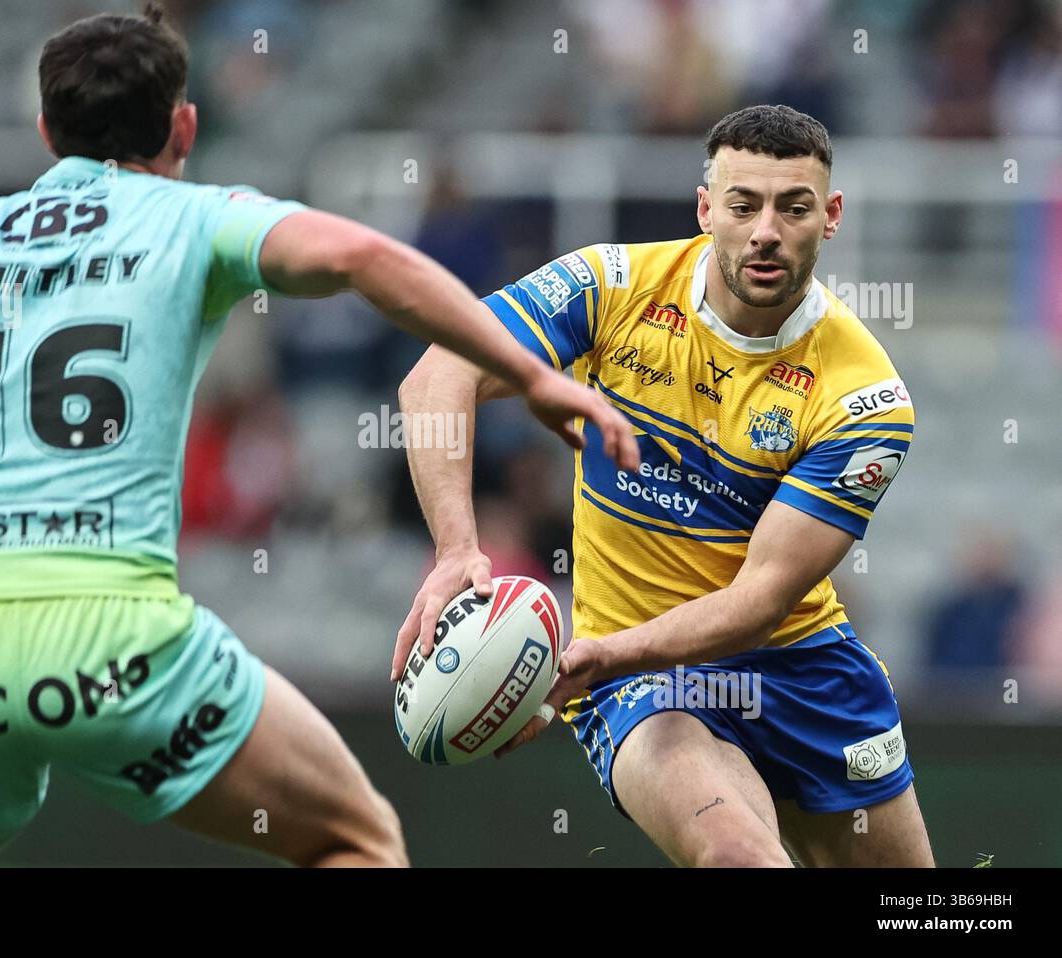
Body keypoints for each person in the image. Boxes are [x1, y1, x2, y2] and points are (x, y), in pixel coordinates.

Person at [0, 6, 638, 868]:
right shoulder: (196, 219)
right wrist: (531, 375)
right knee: (356, 838)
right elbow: (365, 260)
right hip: (121, 645)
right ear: (184, 124)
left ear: (44, 130)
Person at [395, 104, 935, 867]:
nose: (766, 232)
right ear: (706, 207)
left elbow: (758, 603)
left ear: (832, 215)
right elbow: (437, 376)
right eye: (743, 205)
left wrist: (604, 655)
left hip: (803, 666)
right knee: (737, 858)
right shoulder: (611, 285)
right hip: (645, 675)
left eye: (794, 207)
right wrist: (456, 548)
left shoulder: (865, 397)